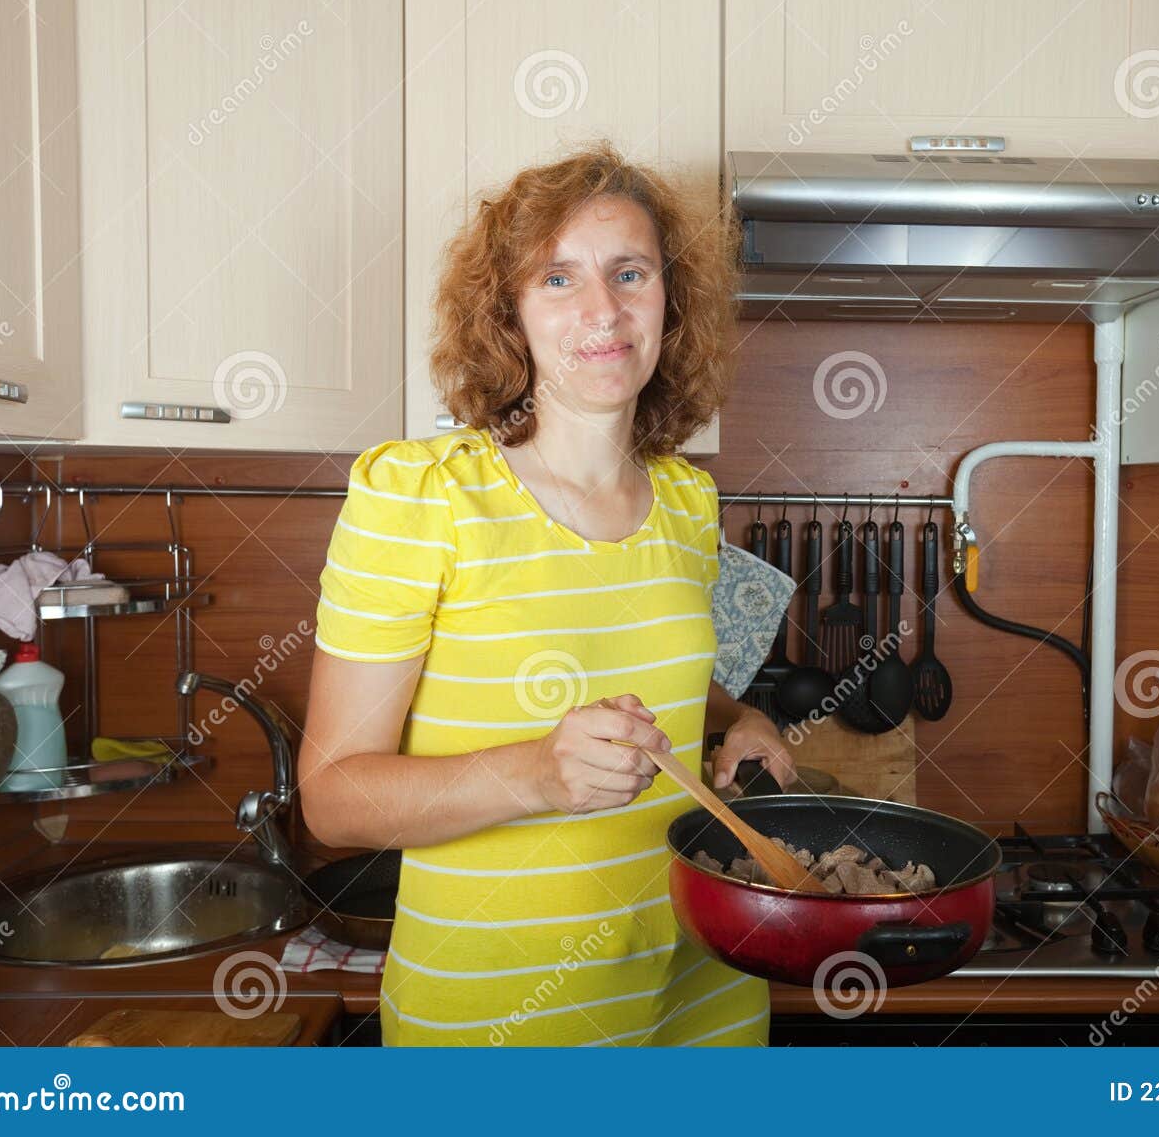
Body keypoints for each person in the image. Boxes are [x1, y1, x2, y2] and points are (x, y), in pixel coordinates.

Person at [300, 141, 796, 1046]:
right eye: (557, 280)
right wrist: (538, 772)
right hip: (502, 1024)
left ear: (669, 301)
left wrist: (741, 720)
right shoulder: (421, 496)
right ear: (509, 316)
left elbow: (668, 683)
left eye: (629, 272)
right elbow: (333, 798)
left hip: (703, 991)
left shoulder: (689, 502)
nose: (602, 310)